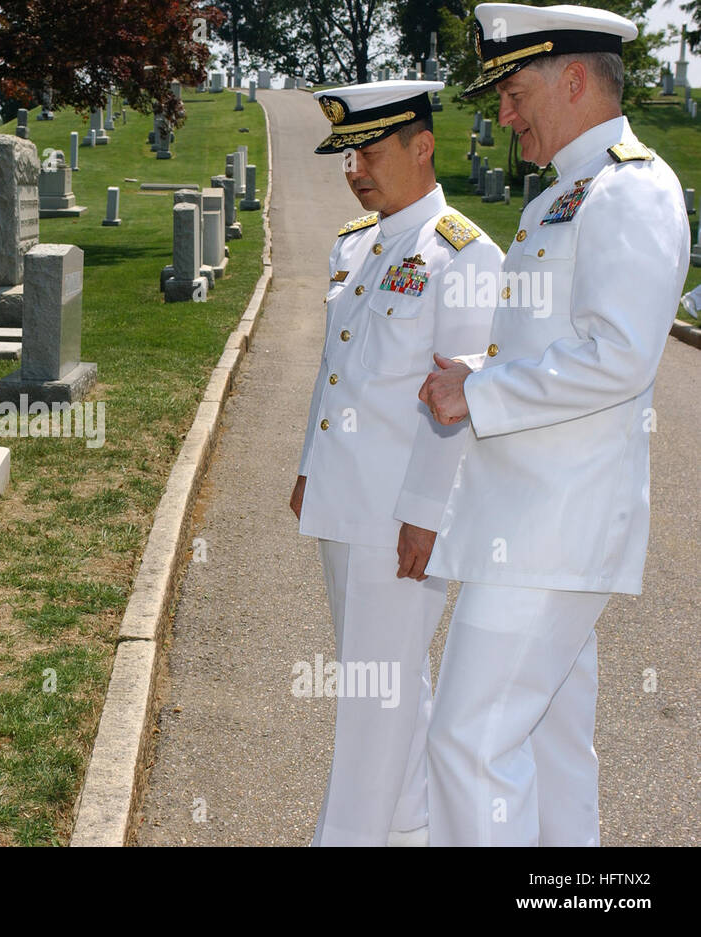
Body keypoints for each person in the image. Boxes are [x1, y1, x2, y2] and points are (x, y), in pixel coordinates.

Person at [420, 2, 690, 846]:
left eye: (513, 91)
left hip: (554, 524)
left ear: (573, 79)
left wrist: (482, 393)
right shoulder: (558, 200)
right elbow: (556, 344)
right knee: (550, 740)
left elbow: (619, 354)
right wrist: (482, 371)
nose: (502, 113)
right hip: (530, 517)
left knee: (468, 739)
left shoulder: (632, 187)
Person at [292, 80, 503, 846]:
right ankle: (412, 832)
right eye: (349, 156)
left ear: (423, 146)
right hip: (346, 506)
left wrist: (426, 512)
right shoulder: (356, 243)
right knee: (387, 687)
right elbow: (337, 369)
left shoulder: (464, 254)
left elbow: (461, 396)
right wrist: (311, 465)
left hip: (401, 520)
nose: (355, 170)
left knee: (373, 700)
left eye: (370, 152)